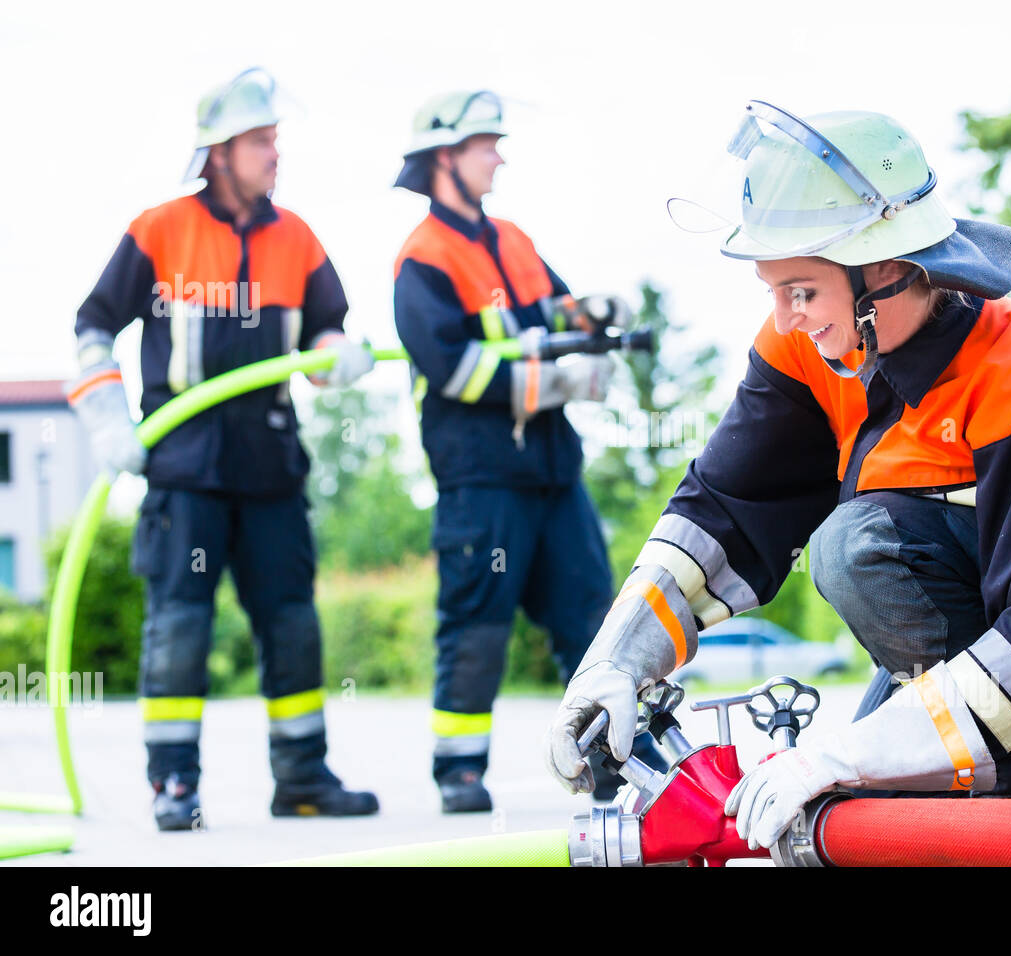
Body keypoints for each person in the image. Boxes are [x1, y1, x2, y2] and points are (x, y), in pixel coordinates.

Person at [546, 102, 1011, 849]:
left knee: (855, 549)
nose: (784, 315)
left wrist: (843, 756)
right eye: (773, 289)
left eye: (800, 288)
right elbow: (724, 512)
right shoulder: (804, 342)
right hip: (981, 590)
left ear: (888, 269)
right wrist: (616, 663)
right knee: (853, 827)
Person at [68, 68, 379, 831]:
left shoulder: (296, 236)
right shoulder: (159, 230)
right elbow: (92, 328)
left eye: (276, 138)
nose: (276, 152)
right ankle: (174, 785)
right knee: (180, 624)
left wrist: (338, 353)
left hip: (270, 465)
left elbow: (325, 329)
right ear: (219, 151)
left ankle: (302, 777)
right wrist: (110, 421)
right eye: (262, 140)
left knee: (292, 622)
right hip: (183, 468)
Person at [392, 90, 662, 812]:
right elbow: (451, 368)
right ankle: (458, 772)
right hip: (481, 478)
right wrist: (550, 381)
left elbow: (557, 312)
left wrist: (594, 316)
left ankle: (614, 760)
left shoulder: (510, 239)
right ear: (445, 158)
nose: (499, 156)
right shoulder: (422, 260)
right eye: (487, 144)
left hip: (551, 472)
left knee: (592, 618)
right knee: (478, 623)